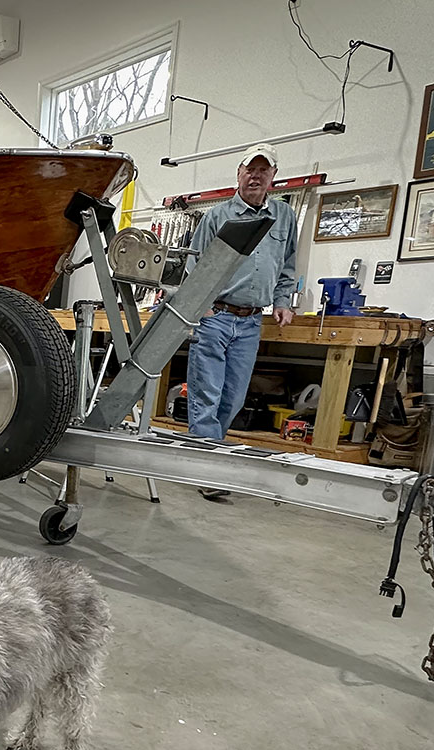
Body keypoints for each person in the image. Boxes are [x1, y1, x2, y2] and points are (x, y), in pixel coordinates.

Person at [184, 143, 297, 500]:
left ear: (273, 177)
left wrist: (283, 301)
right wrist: (198, 305)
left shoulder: (284, 217)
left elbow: (289, 264)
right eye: (251, 169)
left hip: (252, 322)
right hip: (216, 316)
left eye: (264, 170)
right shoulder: (217, 216)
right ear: (239, 172)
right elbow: (195, 264)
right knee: (207, 393)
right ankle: (208, 470)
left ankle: (210, 459)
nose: (256, 175)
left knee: (232, 398)